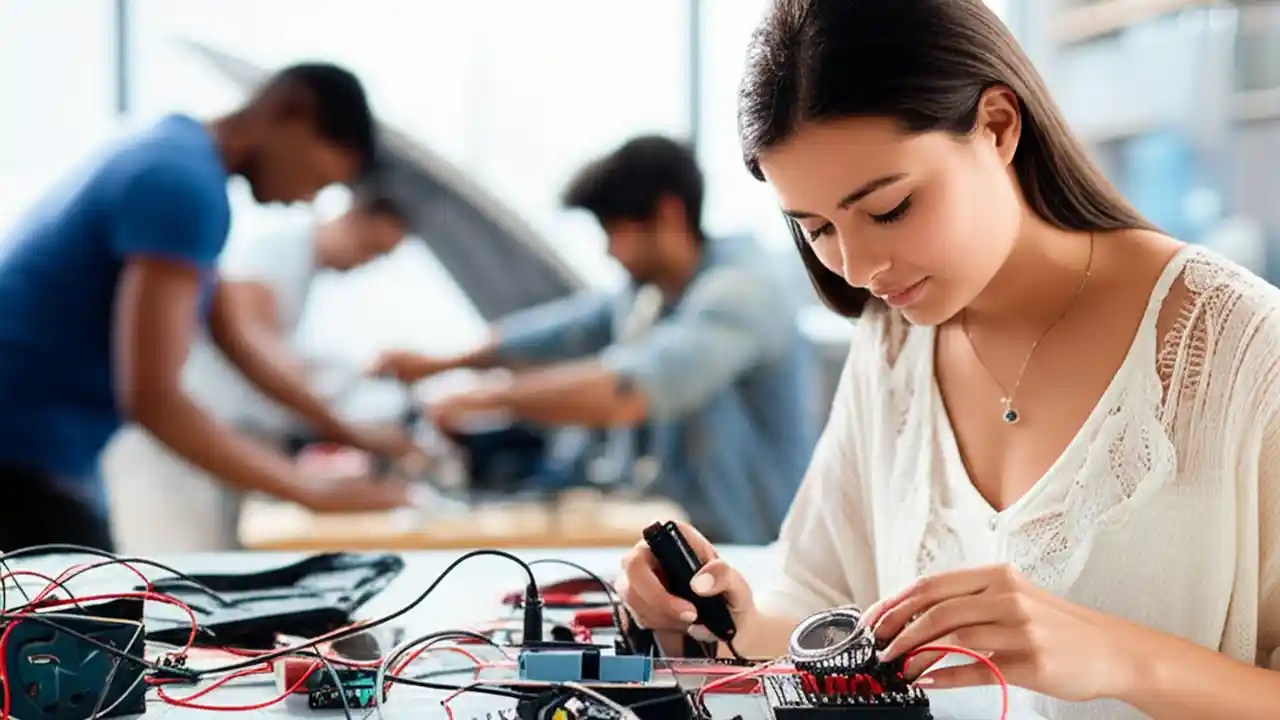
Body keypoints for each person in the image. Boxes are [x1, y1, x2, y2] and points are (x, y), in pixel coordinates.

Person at [617, 2, 1280, 719]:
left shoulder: (1247, 351)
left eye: (890, 209)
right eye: (817, 228)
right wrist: (725, 616)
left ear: (997, 126)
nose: (858, 268)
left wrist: (1120, 658)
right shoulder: (895, 341)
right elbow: (818, 603)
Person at [0, 63, 411, 552]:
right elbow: (153, 399)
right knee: (94, 600)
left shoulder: (180, 156)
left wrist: (348, 433)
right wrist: (311, 491)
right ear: (291, 110)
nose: (305, 200)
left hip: (50, 449)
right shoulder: (183, 185)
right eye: (318, 181)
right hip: (22, 451)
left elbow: (236, 341)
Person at [372, 135, 816, 544]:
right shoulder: (649, 293)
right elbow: (559, 331)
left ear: (667, 214)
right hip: (689, 537)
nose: (608, 251)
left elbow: (629, 390)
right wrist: (440, 363)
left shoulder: (743, 290)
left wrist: (485, 398)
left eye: (613, 230)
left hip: (755, 547)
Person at [103, 187, 414, 552]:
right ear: (350, 218)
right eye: (369, 247)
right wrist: (348, 428)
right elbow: (257, 351)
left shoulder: (303, 268)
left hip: (218, 442)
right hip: (182, 440)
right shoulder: (280, 249)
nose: (366, 261)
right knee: (177, 563)